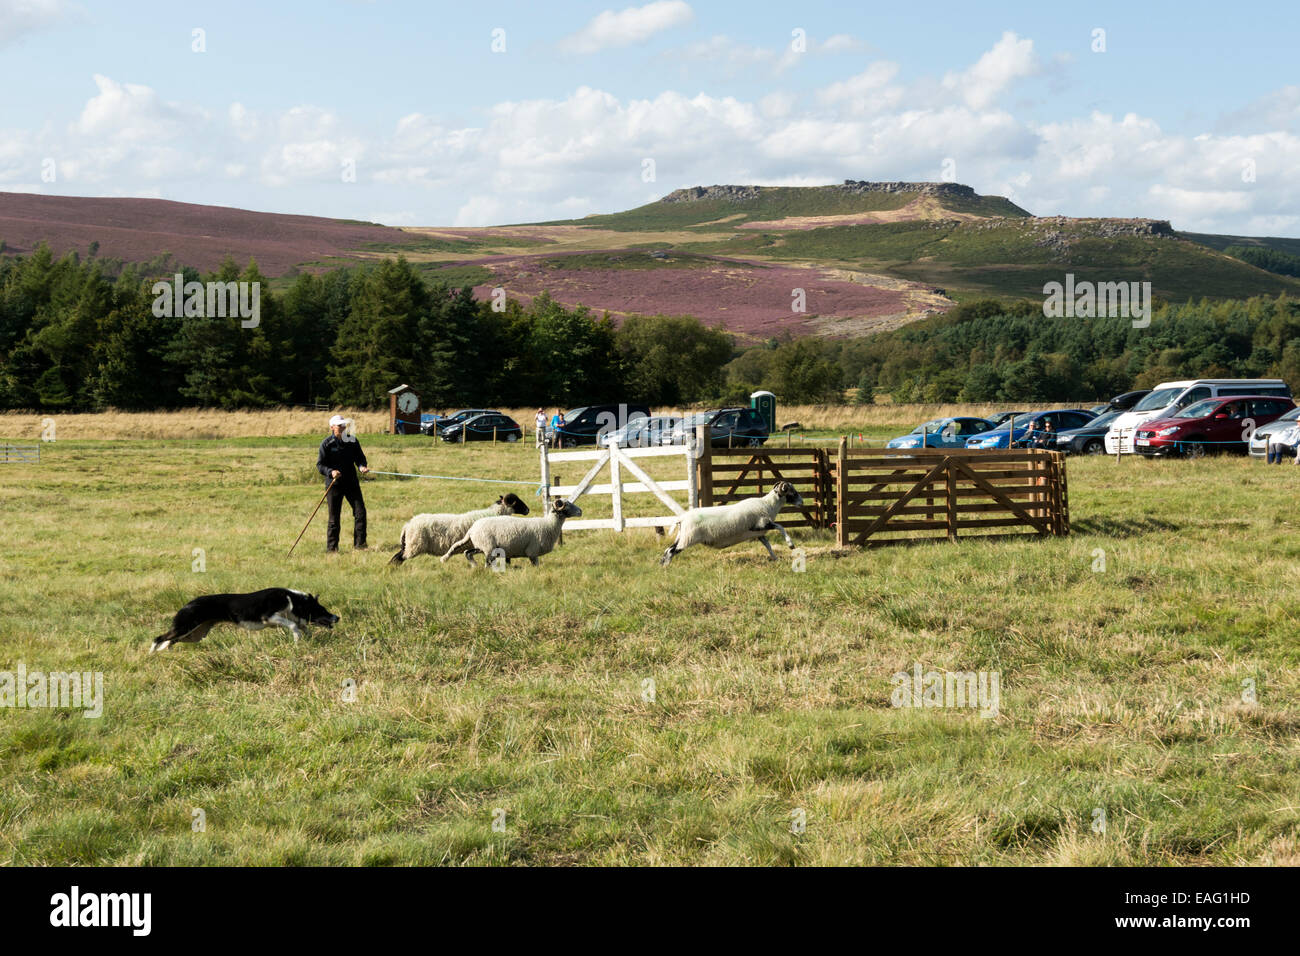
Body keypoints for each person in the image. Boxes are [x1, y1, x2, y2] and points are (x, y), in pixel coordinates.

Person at [317, 414, 370, 552]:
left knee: (360, 513)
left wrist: (361, 467)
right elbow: (320, 465)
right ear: (332, 427)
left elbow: (360, 458)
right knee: (334, 519)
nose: (342, 427)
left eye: (343, 425)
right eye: (339, 425)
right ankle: (332, 549)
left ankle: (360, 545)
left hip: (351, 483)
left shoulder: (352, 441)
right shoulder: (326, 444)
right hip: (334, 485)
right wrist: (331, 472)